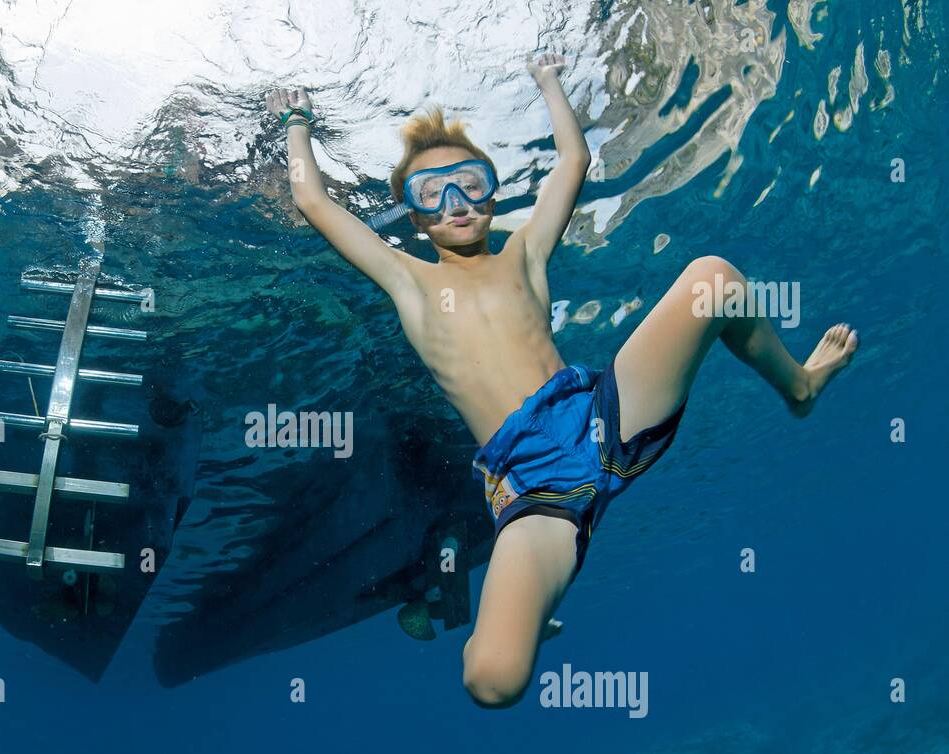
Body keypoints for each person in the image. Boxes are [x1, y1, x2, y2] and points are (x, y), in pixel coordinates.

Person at [266, 54, 859, 708]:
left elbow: (573, 161)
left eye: (469, 181)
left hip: (607, 415)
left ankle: (799, 387)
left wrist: (548, 80)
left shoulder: (525, 253)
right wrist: (297, 122)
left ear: (492, 190)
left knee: (712, 278)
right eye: (433, 194)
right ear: (414, 218)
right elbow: (311, 199)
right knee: (492, 680)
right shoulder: (410, 282)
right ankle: (507, 622)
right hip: (532, 492)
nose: (456, 203)